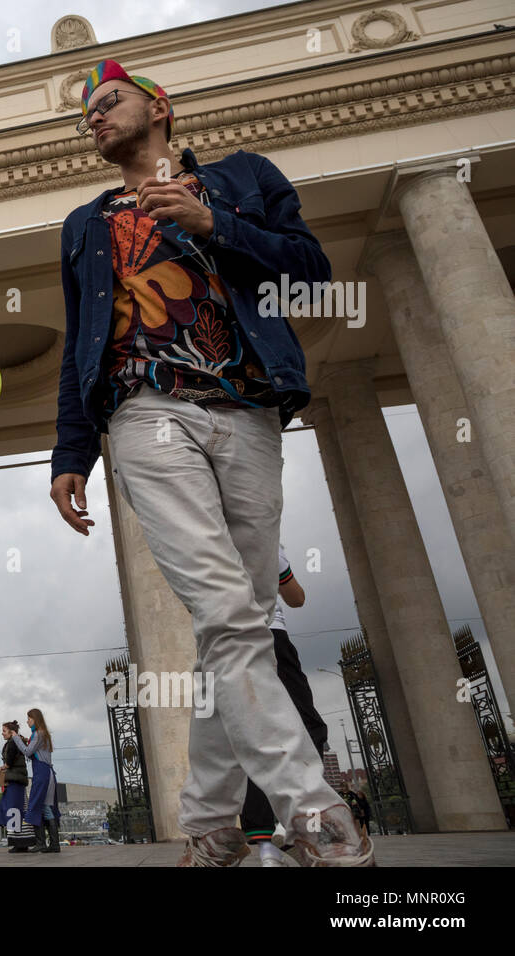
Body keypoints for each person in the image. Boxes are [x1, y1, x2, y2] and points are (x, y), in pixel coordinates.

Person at [49, 59, 372, 867]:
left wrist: (213, 225)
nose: (94, 116)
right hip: (146, 414)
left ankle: (210, 823)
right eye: (86, 112)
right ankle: (313, 811)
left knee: (240, 621)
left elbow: (311, 273)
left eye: (108, 102)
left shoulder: (244, 179)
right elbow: (80, 348)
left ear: (162, 108)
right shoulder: (86, 225)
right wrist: (72, 451)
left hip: (251, 407)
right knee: (229, 611)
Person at [239, 544, 328, 866]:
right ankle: (298, 820)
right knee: (309, 728)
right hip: (272, 638)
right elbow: (296, 597)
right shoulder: (262, 535)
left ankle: (259, 827)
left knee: (252, 734)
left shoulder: (202, 537)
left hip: (230, 644)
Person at [12, 708, 59, 853]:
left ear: (35, 719)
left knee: (35, 806)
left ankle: (41, 843)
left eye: (29, 718)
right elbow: (34, 749)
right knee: (46, 807)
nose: (27, 721)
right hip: (47, 773)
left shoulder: (38, 734)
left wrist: (16, 738)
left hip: (42, 775)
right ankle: (54, 844)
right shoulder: (41, 734)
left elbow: (27, 752)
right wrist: (25, 740)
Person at [0, 720, 33, 853]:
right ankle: (22, 841)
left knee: (13, 810)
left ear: (11, 732)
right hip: (18, 780)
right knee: (18, 809)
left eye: (4, 731)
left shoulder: (12, 743)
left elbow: (10, 762)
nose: (2, 733)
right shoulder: (15, 742)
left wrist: (4, 767)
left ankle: (19, 842)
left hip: (15, 780)